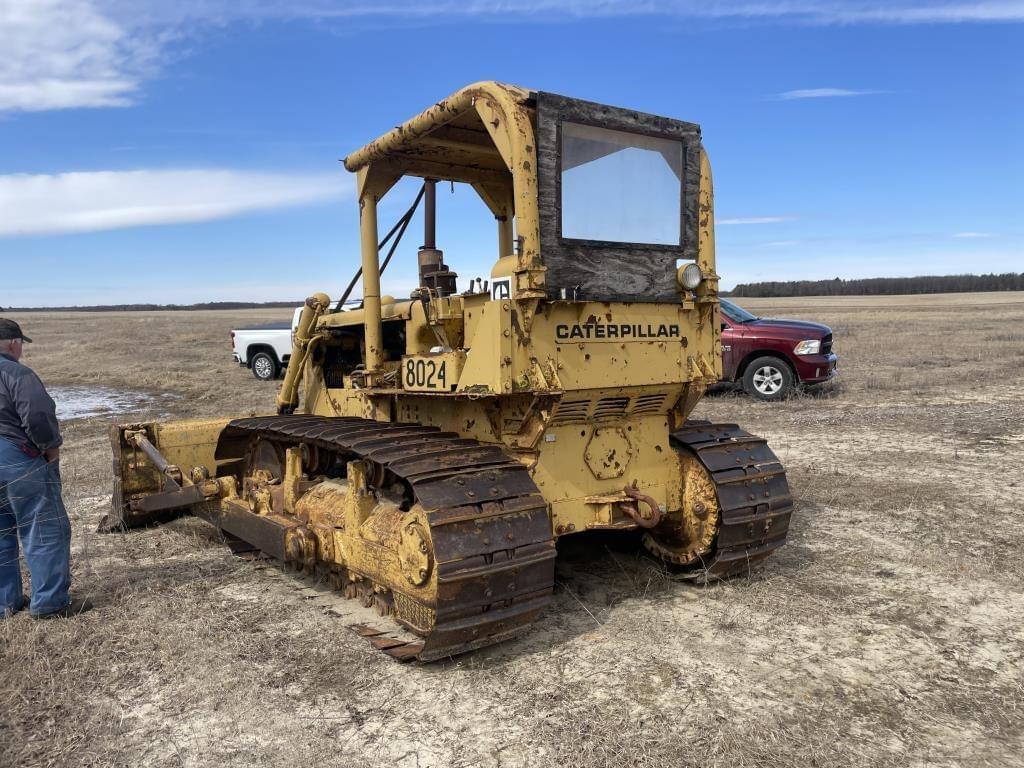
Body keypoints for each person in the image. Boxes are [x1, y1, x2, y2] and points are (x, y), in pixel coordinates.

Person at [0, 318, 92, 618]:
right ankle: (50, 603)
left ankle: (5, 602)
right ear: (14, 343)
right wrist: (51, 447)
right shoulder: (17, 373)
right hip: (16, 459)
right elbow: (38, 415)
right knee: (43, 525)